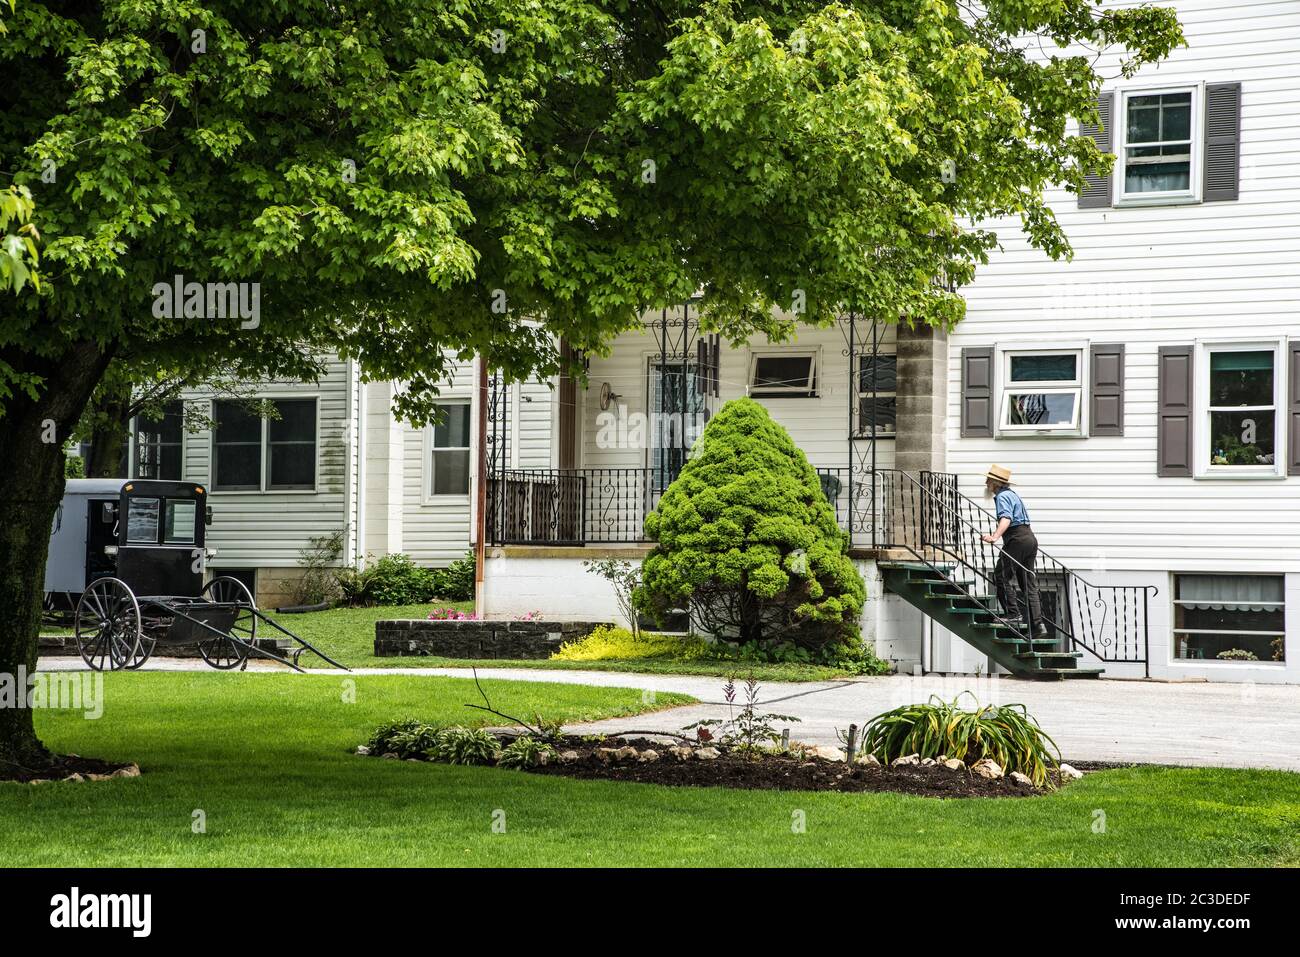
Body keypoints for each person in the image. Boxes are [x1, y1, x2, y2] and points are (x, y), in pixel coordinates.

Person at [979, 465, 1049, 639]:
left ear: (995, 483)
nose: (986, 483)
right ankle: (1038, 625)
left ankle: (1013, 615)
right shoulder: (1012, 495)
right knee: (1027, 584)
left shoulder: (1002, 496)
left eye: (988, 480)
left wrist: (995, 536)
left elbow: (1006, 518)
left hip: (1017, 538)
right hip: (1029, 538)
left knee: (1001, 575)